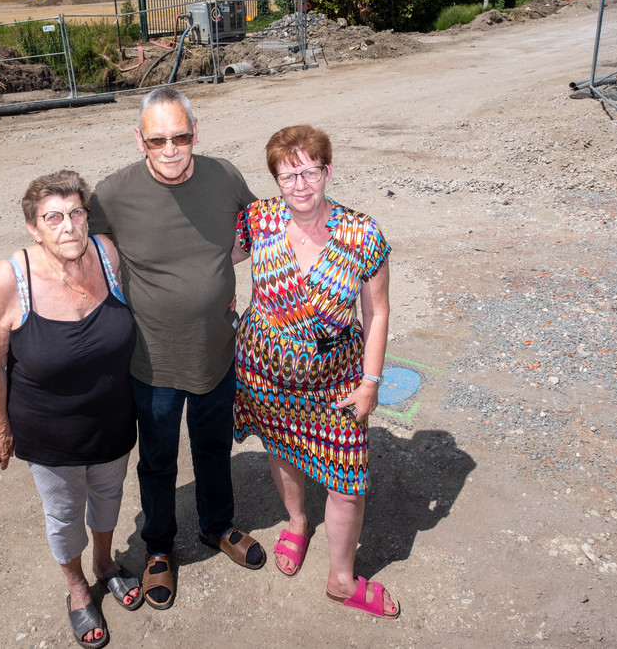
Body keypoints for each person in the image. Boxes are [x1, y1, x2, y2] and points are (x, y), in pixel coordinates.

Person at [87, 87, 266, 611]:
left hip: (216, 352)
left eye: (180, 137)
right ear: (139, 139)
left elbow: (260, 228)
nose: (170, 149)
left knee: (213, 449)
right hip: (153, 360)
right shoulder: (112, 194)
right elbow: (84, 256)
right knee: (159, 459)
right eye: (158, 139)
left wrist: (229, 270)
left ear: (195, 134)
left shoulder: (224, 175)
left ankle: (217, 526)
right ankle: (160, 549)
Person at [232, 124, 400, 619]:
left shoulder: (362, 233)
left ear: (328, 171)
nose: (300, 185)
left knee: (349, 480)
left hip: (336, 380)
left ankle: (342, 579)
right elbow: (210, 262)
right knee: (283, 449)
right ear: (276, 180)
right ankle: (297, 521)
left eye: (309, 172)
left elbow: (378, 313)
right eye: (288, 176)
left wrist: (370, 382)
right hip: (266, 375)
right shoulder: (256, 221)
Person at [0, 170, 143, 648]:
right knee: (65, 512)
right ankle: (76, 588)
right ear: (34, 227)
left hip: (112, 420)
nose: (68, 226)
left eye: (76, 213)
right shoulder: (11, 278)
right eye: (53, 217)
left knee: (109, 497)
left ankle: (106, 562)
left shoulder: (106, 256)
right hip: (50, 435)